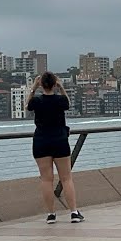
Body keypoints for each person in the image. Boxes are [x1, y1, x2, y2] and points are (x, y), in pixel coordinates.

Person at [26, 73, 82, 224]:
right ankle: (74, 212)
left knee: (46, 179)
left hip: (41, 141)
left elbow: (27, 105)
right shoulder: (59, 100)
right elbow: (67, 103)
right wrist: (61, 87)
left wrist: (34, 87)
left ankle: (51, 214)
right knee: (66, 178)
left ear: (42, 84)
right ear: (54, 84)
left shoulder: (37, 101)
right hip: (59, 140)